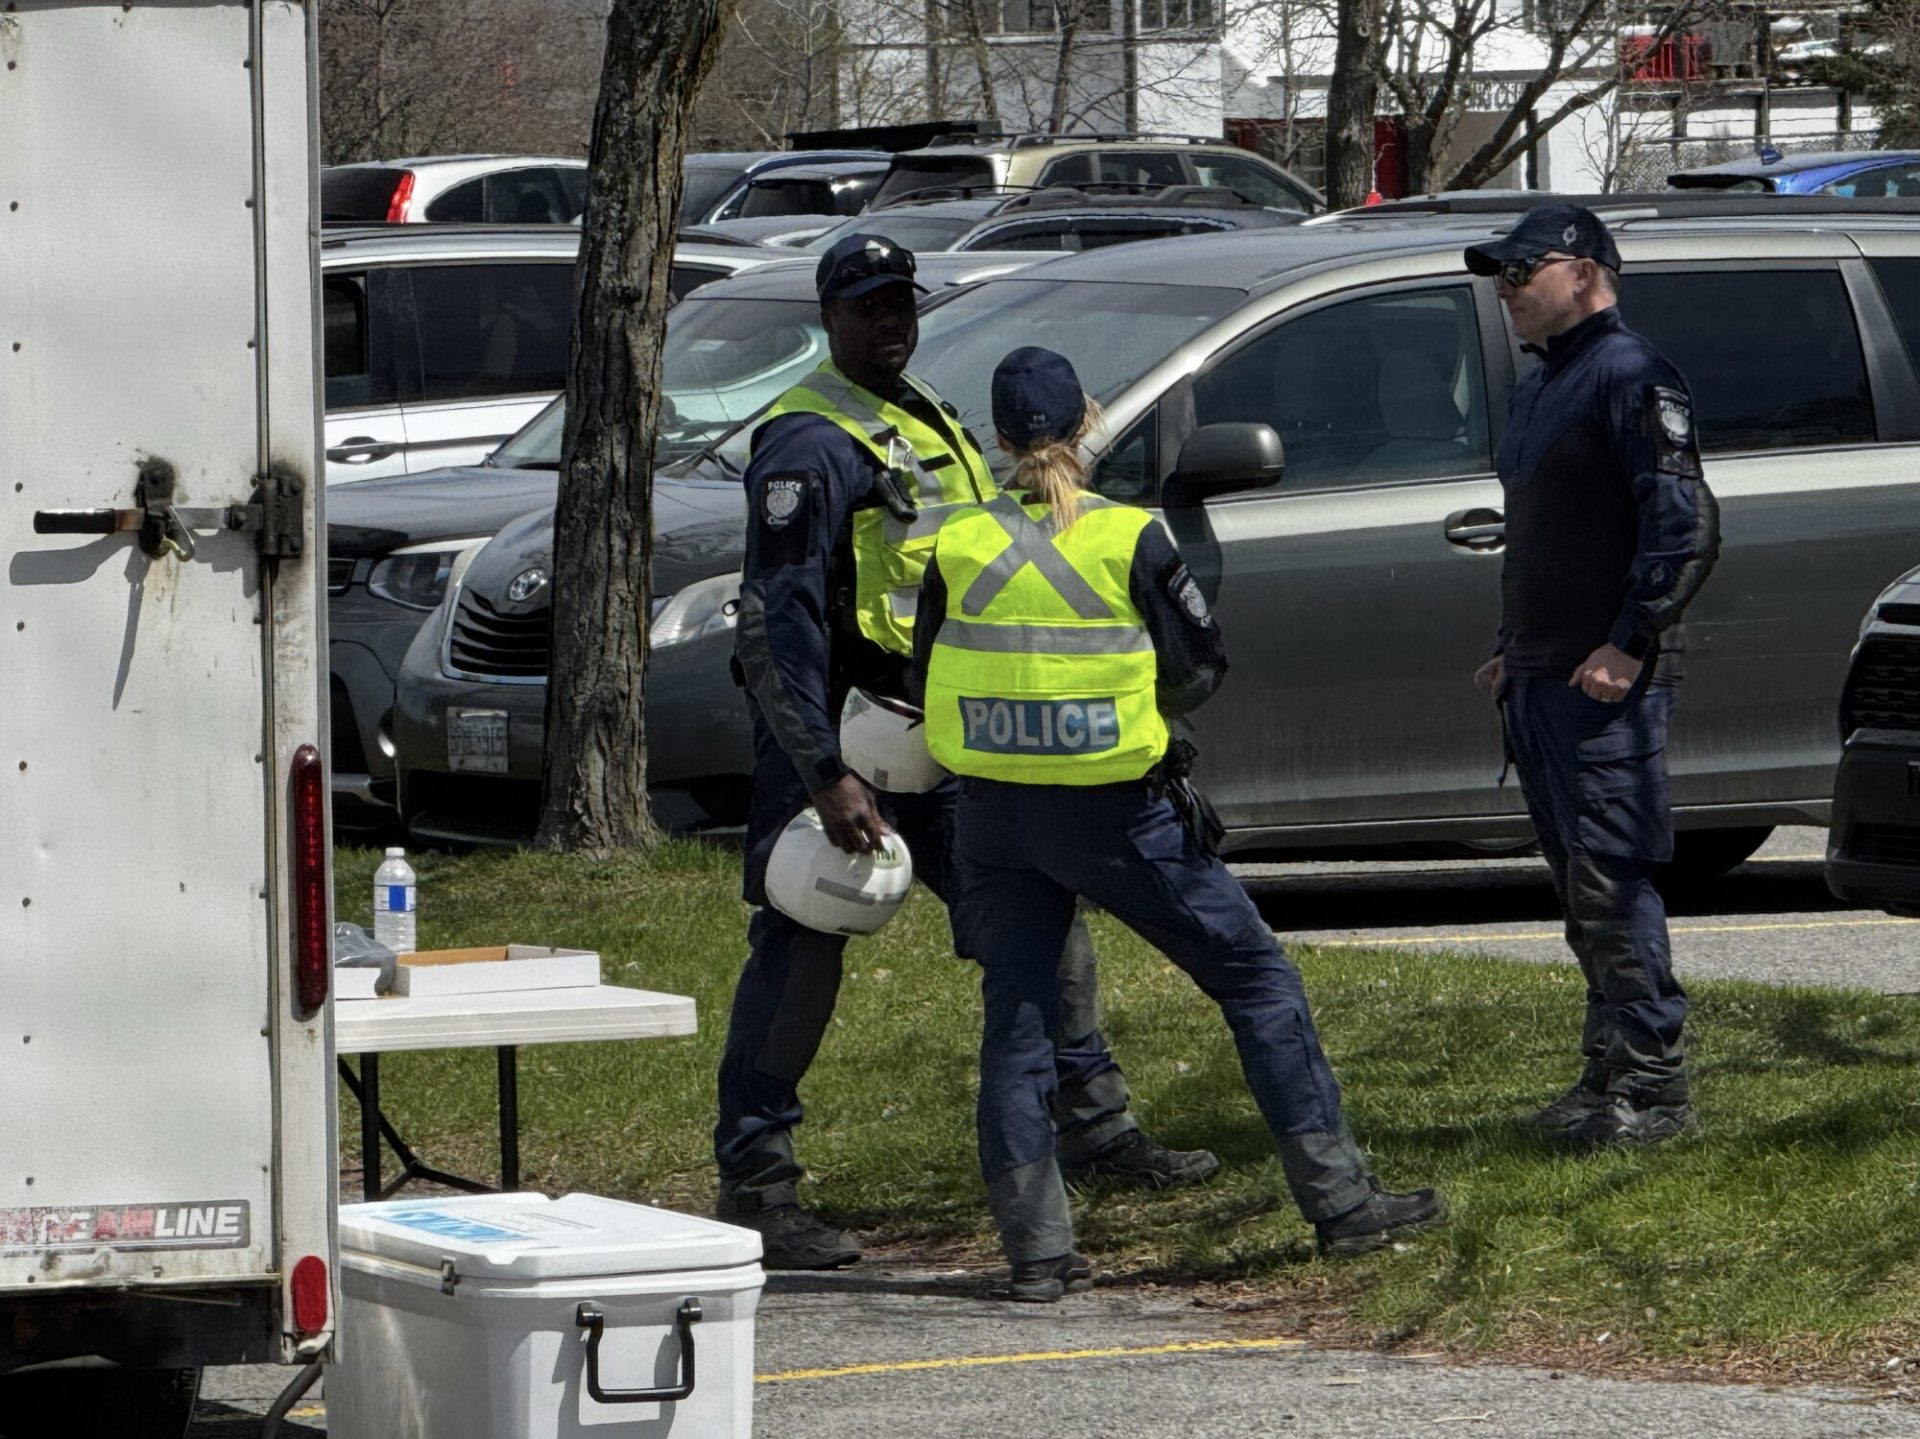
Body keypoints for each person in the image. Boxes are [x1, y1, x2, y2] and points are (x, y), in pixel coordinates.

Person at [719, 236, 1218, 1271]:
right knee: (807, 935)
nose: (890, 319)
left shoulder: (918, 408)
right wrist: (822, 773)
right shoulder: (809, 443)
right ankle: (756, 1182)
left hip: (940, 737)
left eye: (901, 301)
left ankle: (1095, 1122)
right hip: (848, 741)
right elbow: (775, 625)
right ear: (830, 316)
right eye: (867, 305)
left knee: (1039, 909)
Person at [915, 347, 1445, 1302]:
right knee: (1255, 978)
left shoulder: (955, 542)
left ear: (994, 439)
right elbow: (1200, 662)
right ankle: (1341, 1201)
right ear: (1086, 424)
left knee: (1018, 1022)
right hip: (1118, 811)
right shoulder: (1132, 536)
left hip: (992, 815)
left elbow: (925, 675)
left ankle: (1036, 1255)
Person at [1463, 204, 1721, 1148]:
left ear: (1583, 271)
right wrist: (1511, 641)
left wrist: (1628, 642)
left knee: (1613, 882)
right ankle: (1605, 1073)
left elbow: (1682, 524)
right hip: (1540, 676)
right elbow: (1545, 535)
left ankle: (1657, 1090)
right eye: (1498, 276)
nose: (1506, 291)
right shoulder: (1545, 384)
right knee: (1580, 890)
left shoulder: (1632, 374)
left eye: (1520, 270)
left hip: (1607, 684)